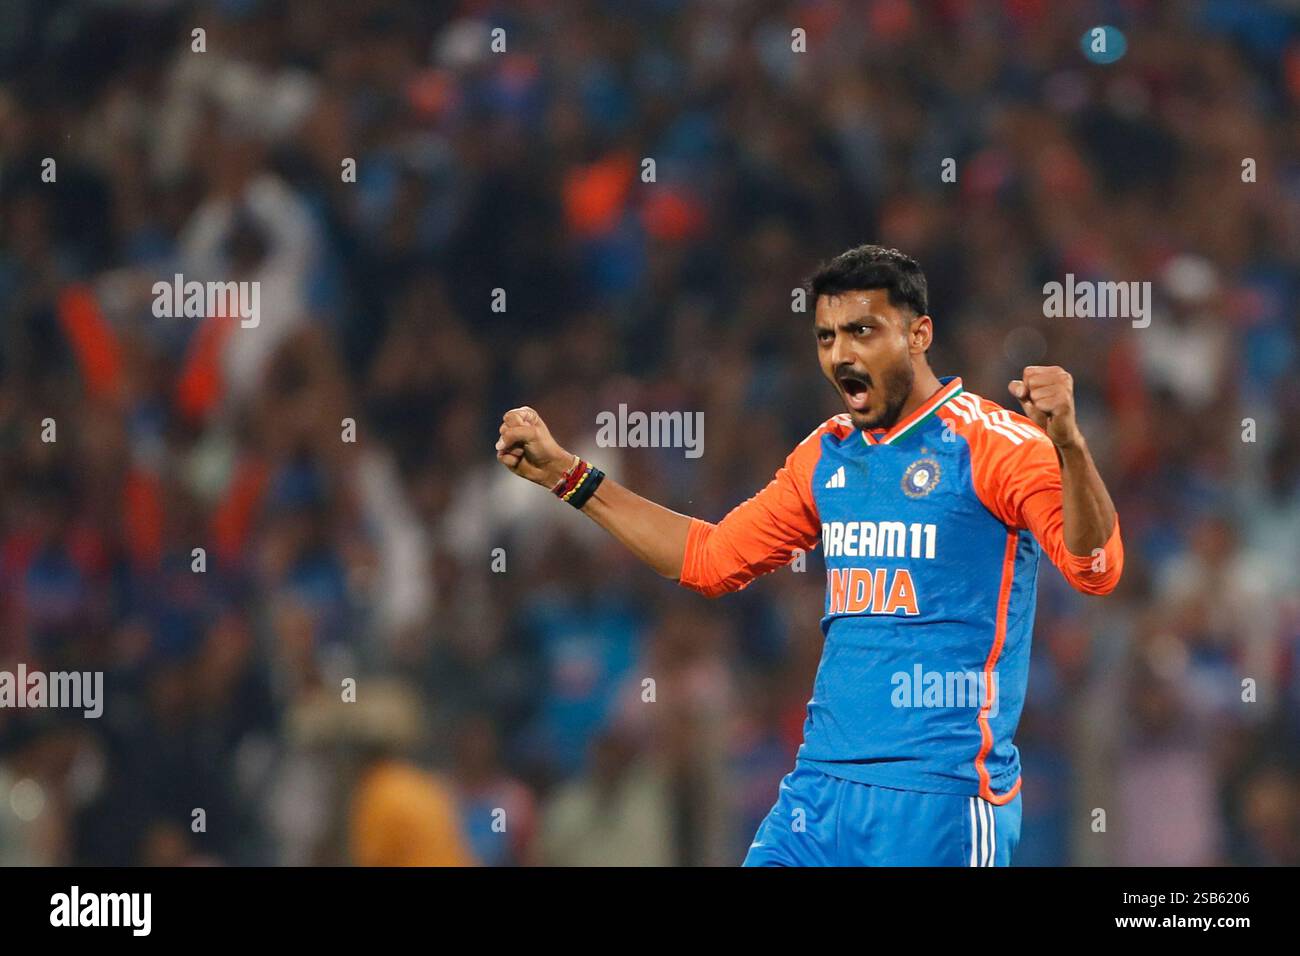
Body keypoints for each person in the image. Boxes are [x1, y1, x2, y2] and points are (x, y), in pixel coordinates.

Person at [494, 244, 1124, 866]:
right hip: (817, 795)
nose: (841, 354)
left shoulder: (1001, 446)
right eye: (826, 337)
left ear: (919, 334)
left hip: (939, 798)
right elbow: (710, 559)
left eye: (863, 331)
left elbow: (1096, 570)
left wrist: (1069, 446)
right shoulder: (826, 456)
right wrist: (568, 477)